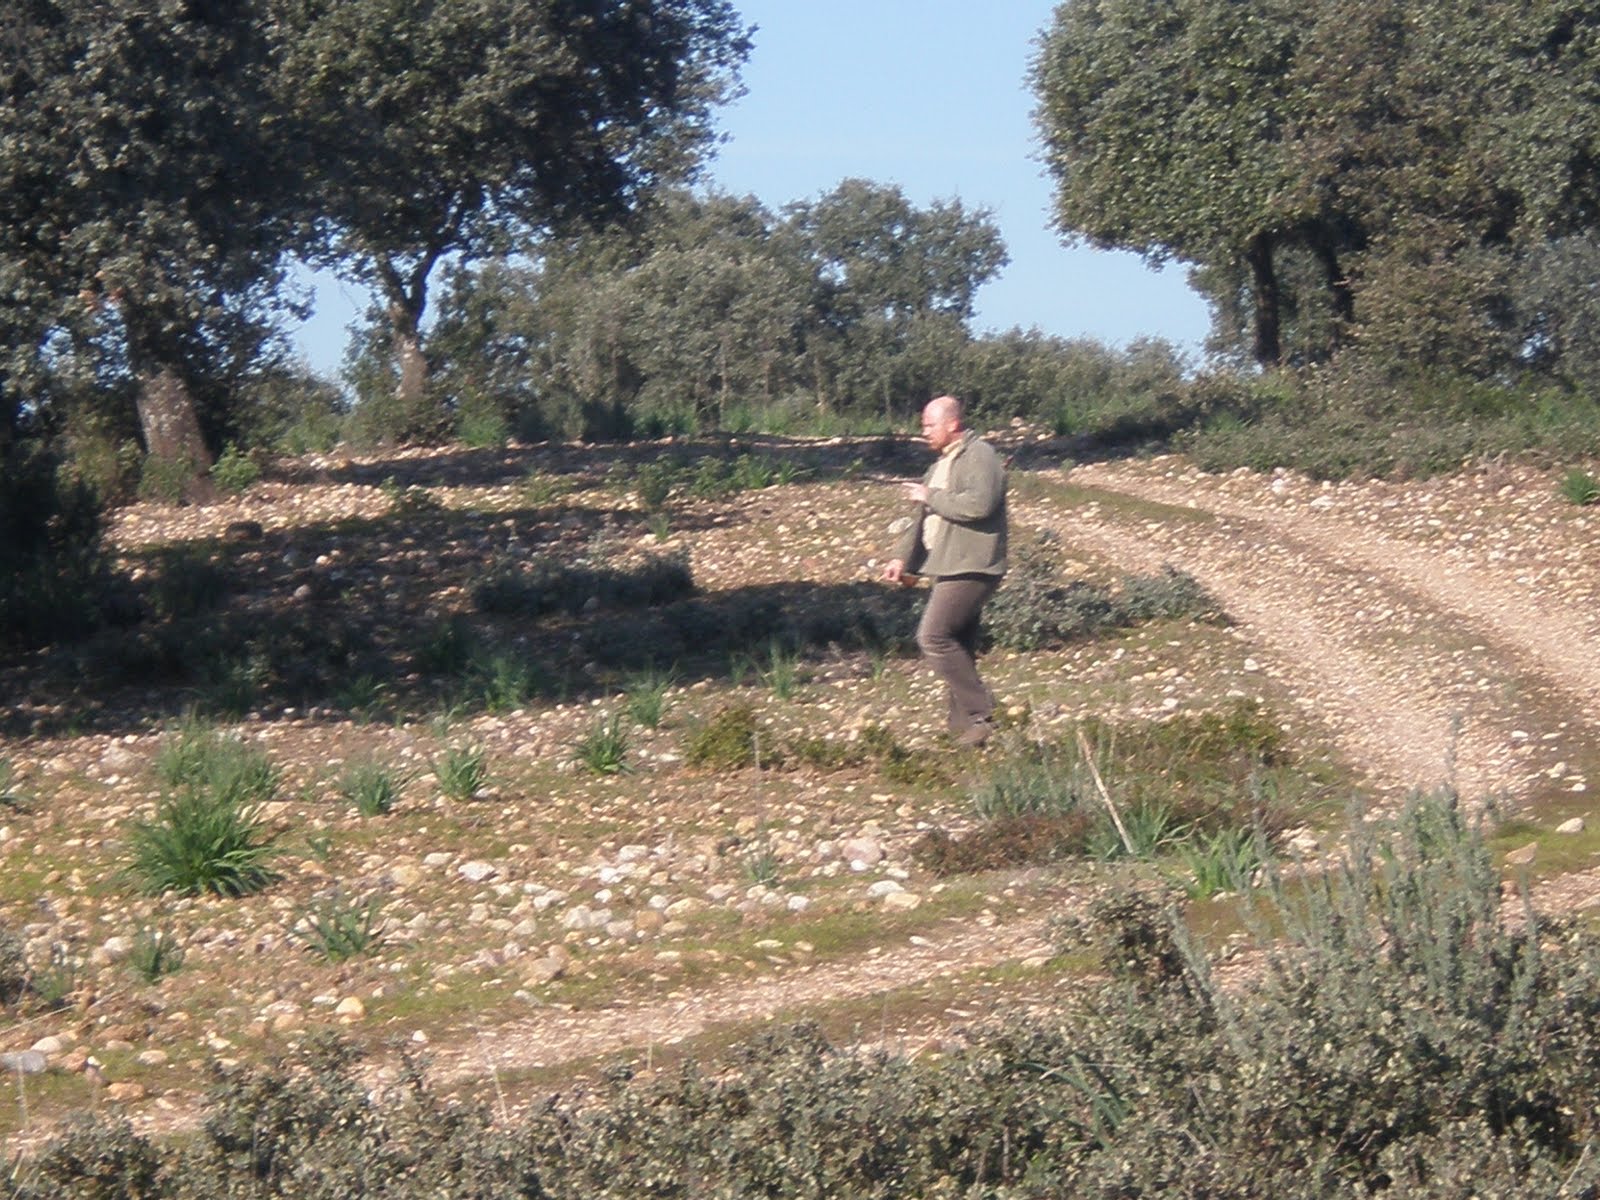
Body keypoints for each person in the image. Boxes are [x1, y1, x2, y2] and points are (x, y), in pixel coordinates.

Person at [882, 395, 1007, 746]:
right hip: (949, 564)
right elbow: (924, 517)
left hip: (974, 564)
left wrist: (930, 496)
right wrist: (902, 559)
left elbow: (980, 504)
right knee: (959, 645)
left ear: (952, 424)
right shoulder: (939, 465)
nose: (923, 432)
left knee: (933, 637)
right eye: (923, 425)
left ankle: (984, 714)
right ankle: (964, 730)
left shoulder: (980, 455)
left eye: (929, 425)